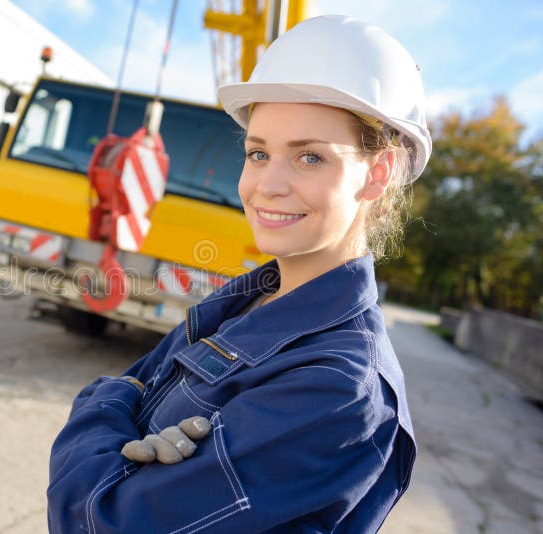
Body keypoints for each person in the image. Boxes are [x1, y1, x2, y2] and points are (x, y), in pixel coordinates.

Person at [47, 14, 430, 533]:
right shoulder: (247, 299)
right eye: (258, 152)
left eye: (310, 157)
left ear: (377, 173)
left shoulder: (338, 388)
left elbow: (97, 522)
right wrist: (122, 438)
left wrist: (104, 403)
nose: (266, 185)